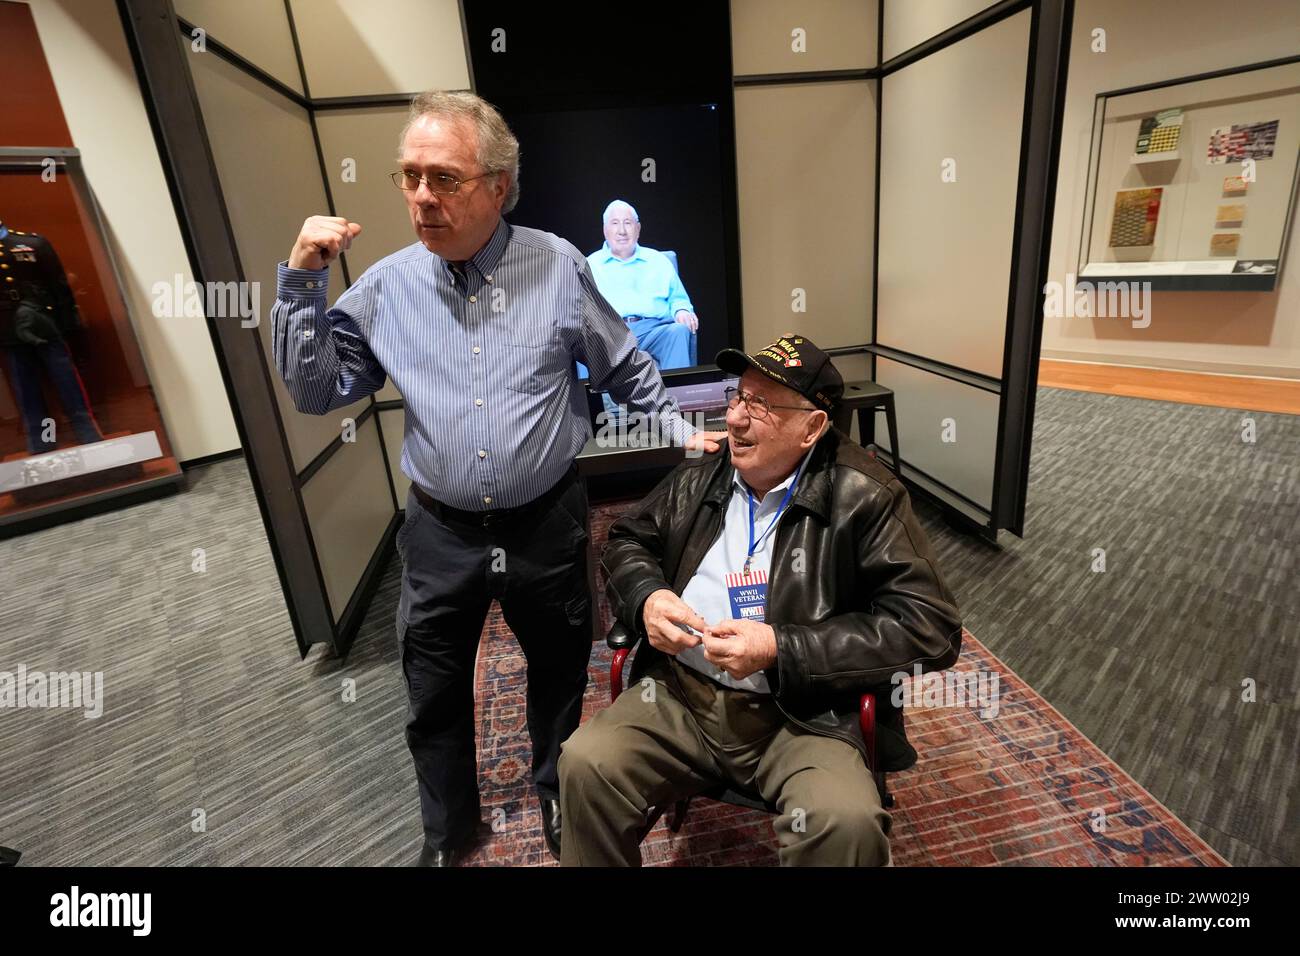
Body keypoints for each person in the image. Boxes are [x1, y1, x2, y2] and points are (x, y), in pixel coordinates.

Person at [269, 90, 724, 867]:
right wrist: (301, 283)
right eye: (409, 176)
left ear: (499, 187)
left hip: (546, 520)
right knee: (434, 690)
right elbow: (318, 392)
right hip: (440, 531)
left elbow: (621, 365)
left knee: (556, 674)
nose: (421, 196)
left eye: (444, 178)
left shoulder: (556, 265)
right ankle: (448, 835)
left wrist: (682, 431)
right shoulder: (384, 286)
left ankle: (557, 793)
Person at [559, 334, 963, 866]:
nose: (735, 419)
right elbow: (628, 540)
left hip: (802, 715)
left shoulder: (865, 496)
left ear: (813, 427)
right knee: (585, 764)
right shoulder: (705, 471)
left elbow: (929, 627)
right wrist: (648, 598)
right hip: (682, 696)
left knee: (844, 823)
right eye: (737, 397)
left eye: (762, 405)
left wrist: (782, 647)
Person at [585, 200, 698, 370]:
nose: (622, 231)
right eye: (615, 223)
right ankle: (592, 397)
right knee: (584, 340)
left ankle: (675, 395)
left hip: (652, 330)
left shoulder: (658, 260)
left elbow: (678, 299)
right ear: (605, 230)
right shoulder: (590, 264)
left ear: (638, 229)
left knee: (678, 332)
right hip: (610, 333)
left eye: (627, 223)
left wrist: (681, 310)